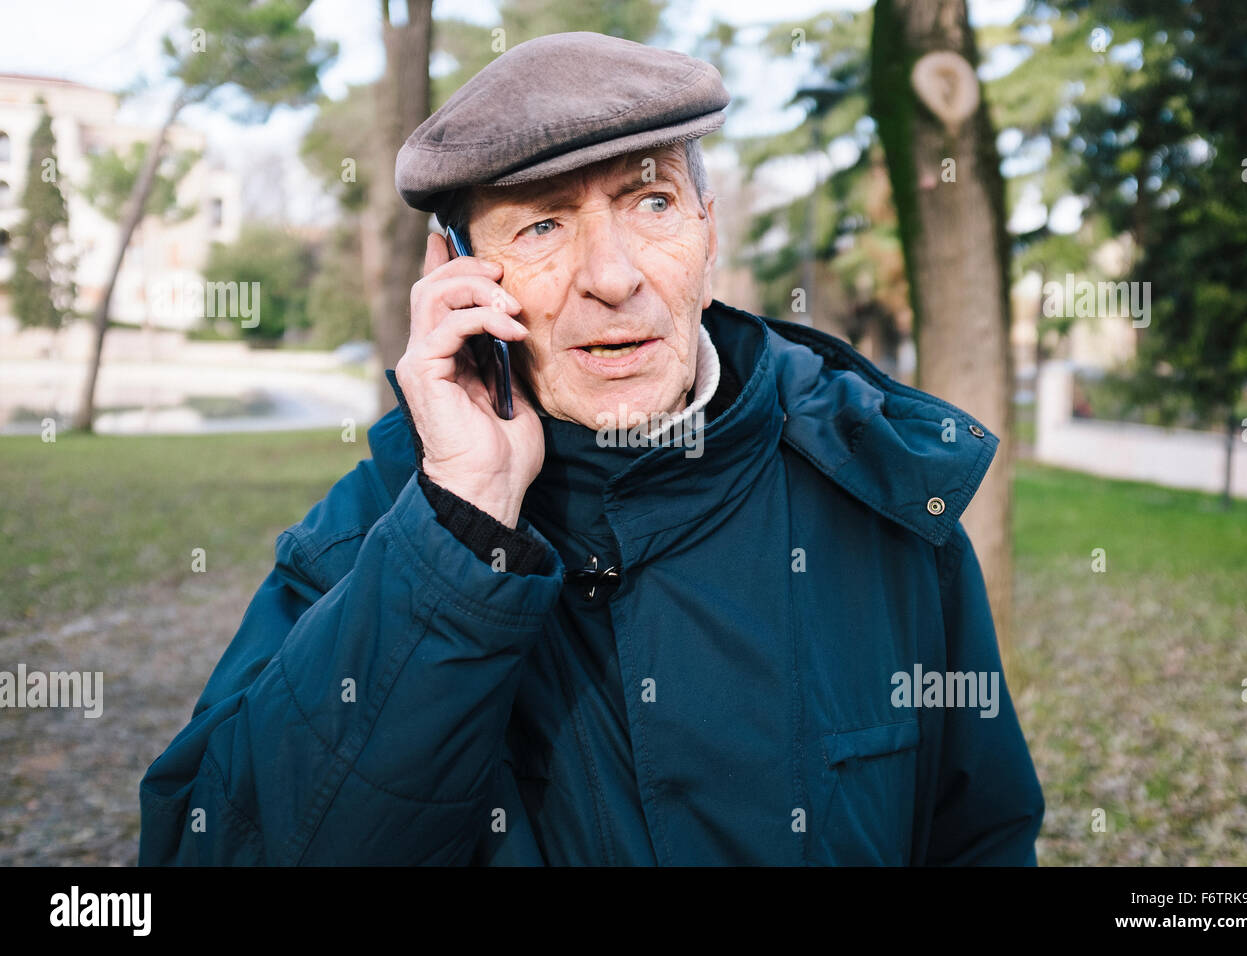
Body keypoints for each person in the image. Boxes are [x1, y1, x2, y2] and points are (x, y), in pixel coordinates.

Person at [138, 31, 1044, 866]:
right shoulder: (376, 538)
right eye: (543, 225)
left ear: (707, 228)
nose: (612, 277)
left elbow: (983, 837)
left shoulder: (879, 495)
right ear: (451, 271)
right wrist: (460, 535)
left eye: (650, 202)